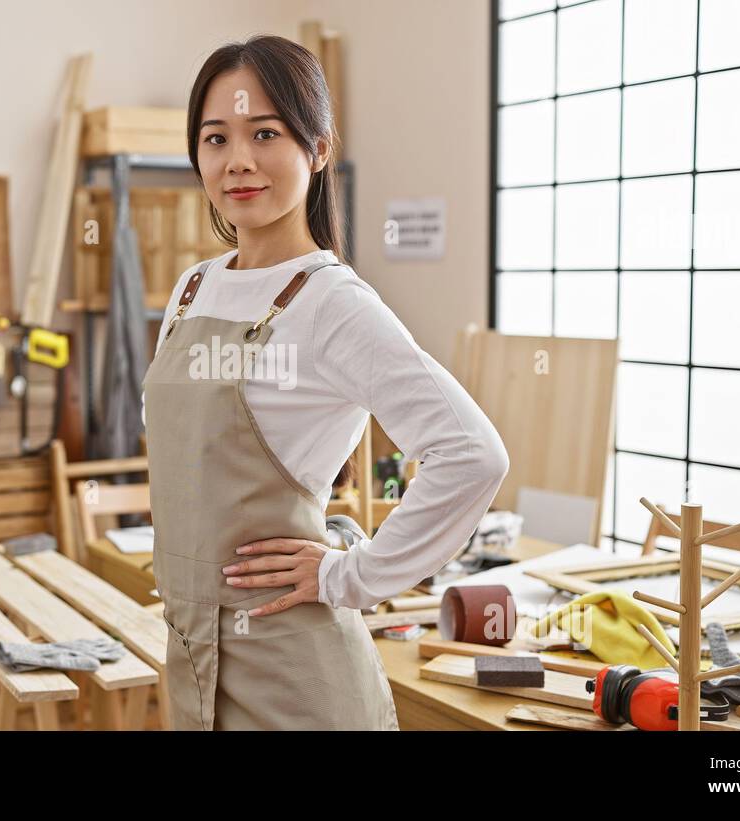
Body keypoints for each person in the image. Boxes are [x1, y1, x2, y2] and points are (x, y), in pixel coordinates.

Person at [140, 34, 509, 730]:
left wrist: (352, 575)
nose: (238, 160)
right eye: (216, 138)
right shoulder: (192, 289)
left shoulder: (332, 303)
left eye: (266, 133)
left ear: (318, 148)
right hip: (191, 668)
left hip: (295, 678)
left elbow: (472, 455)